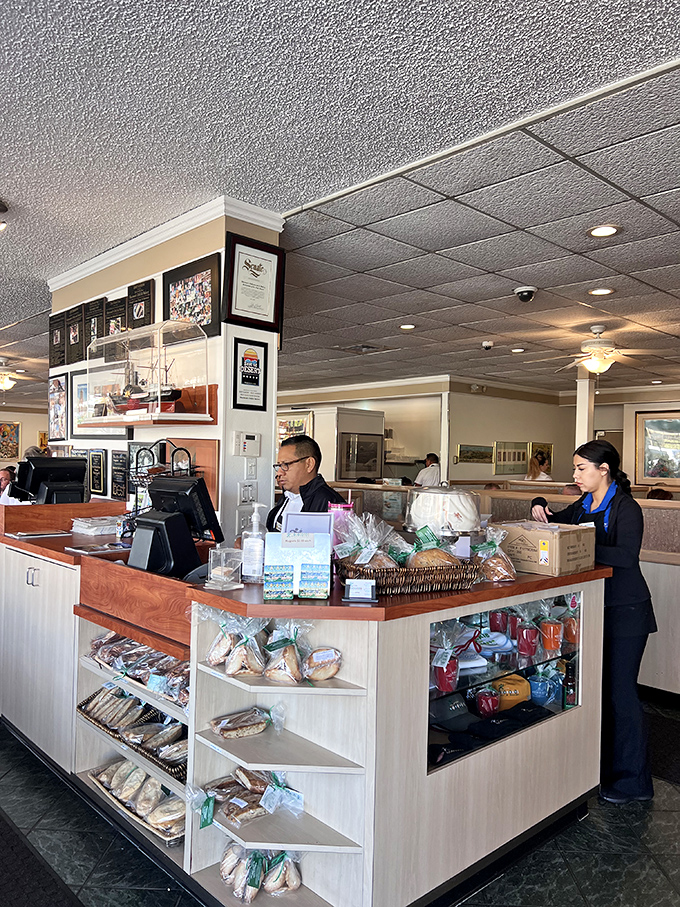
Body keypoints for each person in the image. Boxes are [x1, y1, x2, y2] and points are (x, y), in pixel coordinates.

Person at [531, 439, 656, 804]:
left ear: (604, 470)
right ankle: (605, 770)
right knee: (599, 692)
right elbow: (556, 522)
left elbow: (626, 556)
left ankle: (636, 782)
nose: (575, 475)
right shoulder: (585, 504)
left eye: (581, 468)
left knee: (622, 694)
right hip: (597, 607)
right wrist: (539, 506)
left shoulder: (625, 508)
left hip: (628, 610)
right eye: (574, 468)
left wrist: (578, 544)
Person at [267, 434, 346, 531]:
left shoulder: (331, 504)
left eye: (286, 464)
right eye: (279, 465)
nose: (279, 472)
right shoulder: (288, 495)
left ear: (309, 464)